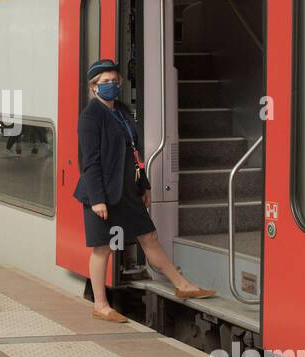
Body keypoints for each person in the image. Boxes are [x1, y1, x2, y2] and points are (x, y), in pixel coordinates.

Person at [73, 59, 214, 322]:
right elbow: (89, 161)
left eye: (115, 81)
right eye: (105, 83)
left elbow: (134, 153)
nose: (112, 86)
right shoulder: (90, 117)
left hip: (127, 190)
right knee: (102, 248)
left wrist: (143, 184)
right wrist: (97, 200)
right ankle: (101, 306)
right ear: (94, 88)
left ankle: (183, 285)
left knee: (149, 237)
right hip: (100, 194)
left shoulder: (122, 111)